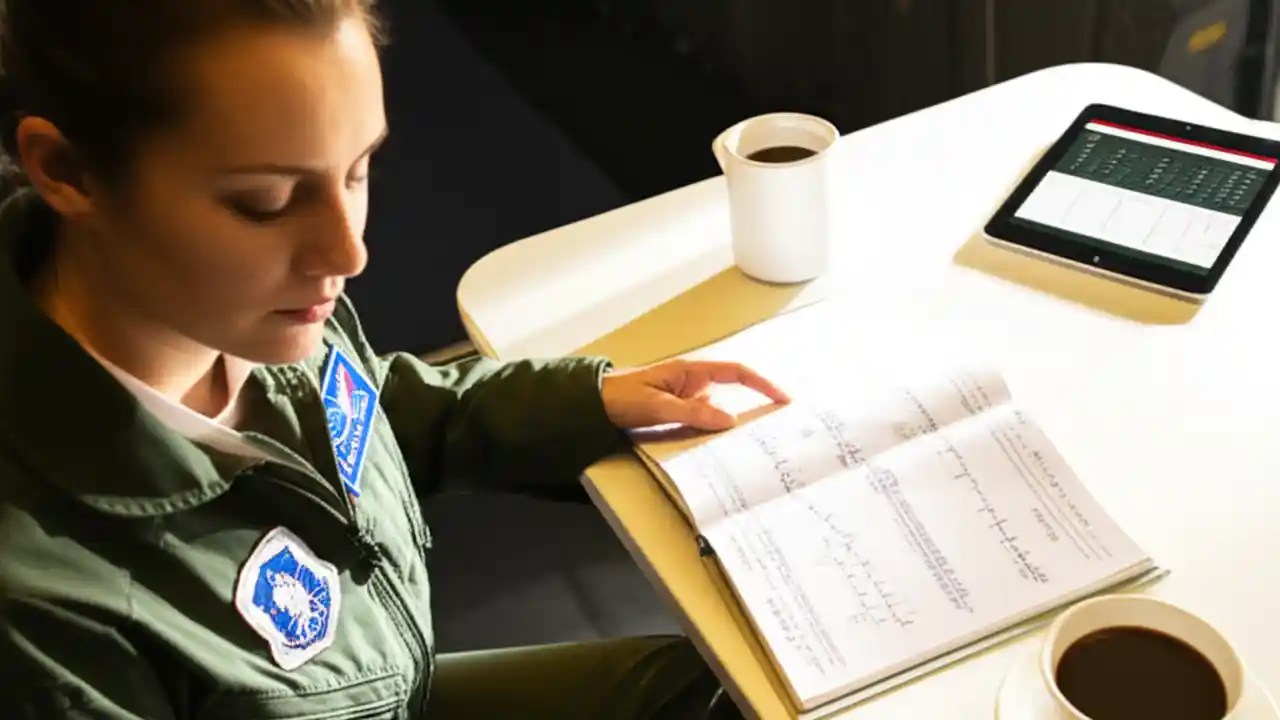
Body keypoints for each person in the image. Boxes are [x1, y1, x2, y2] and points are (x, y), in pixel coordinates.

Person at [0, 1, 789, 717]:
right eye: (265, 203)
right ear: (68, 173)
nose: (348, 251)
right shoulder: (42, 615)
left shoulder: (237, 309)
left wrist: (585, 403)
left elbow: (358, 407)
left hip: (392, 684)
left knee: (709, 696)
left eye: (358, 171)